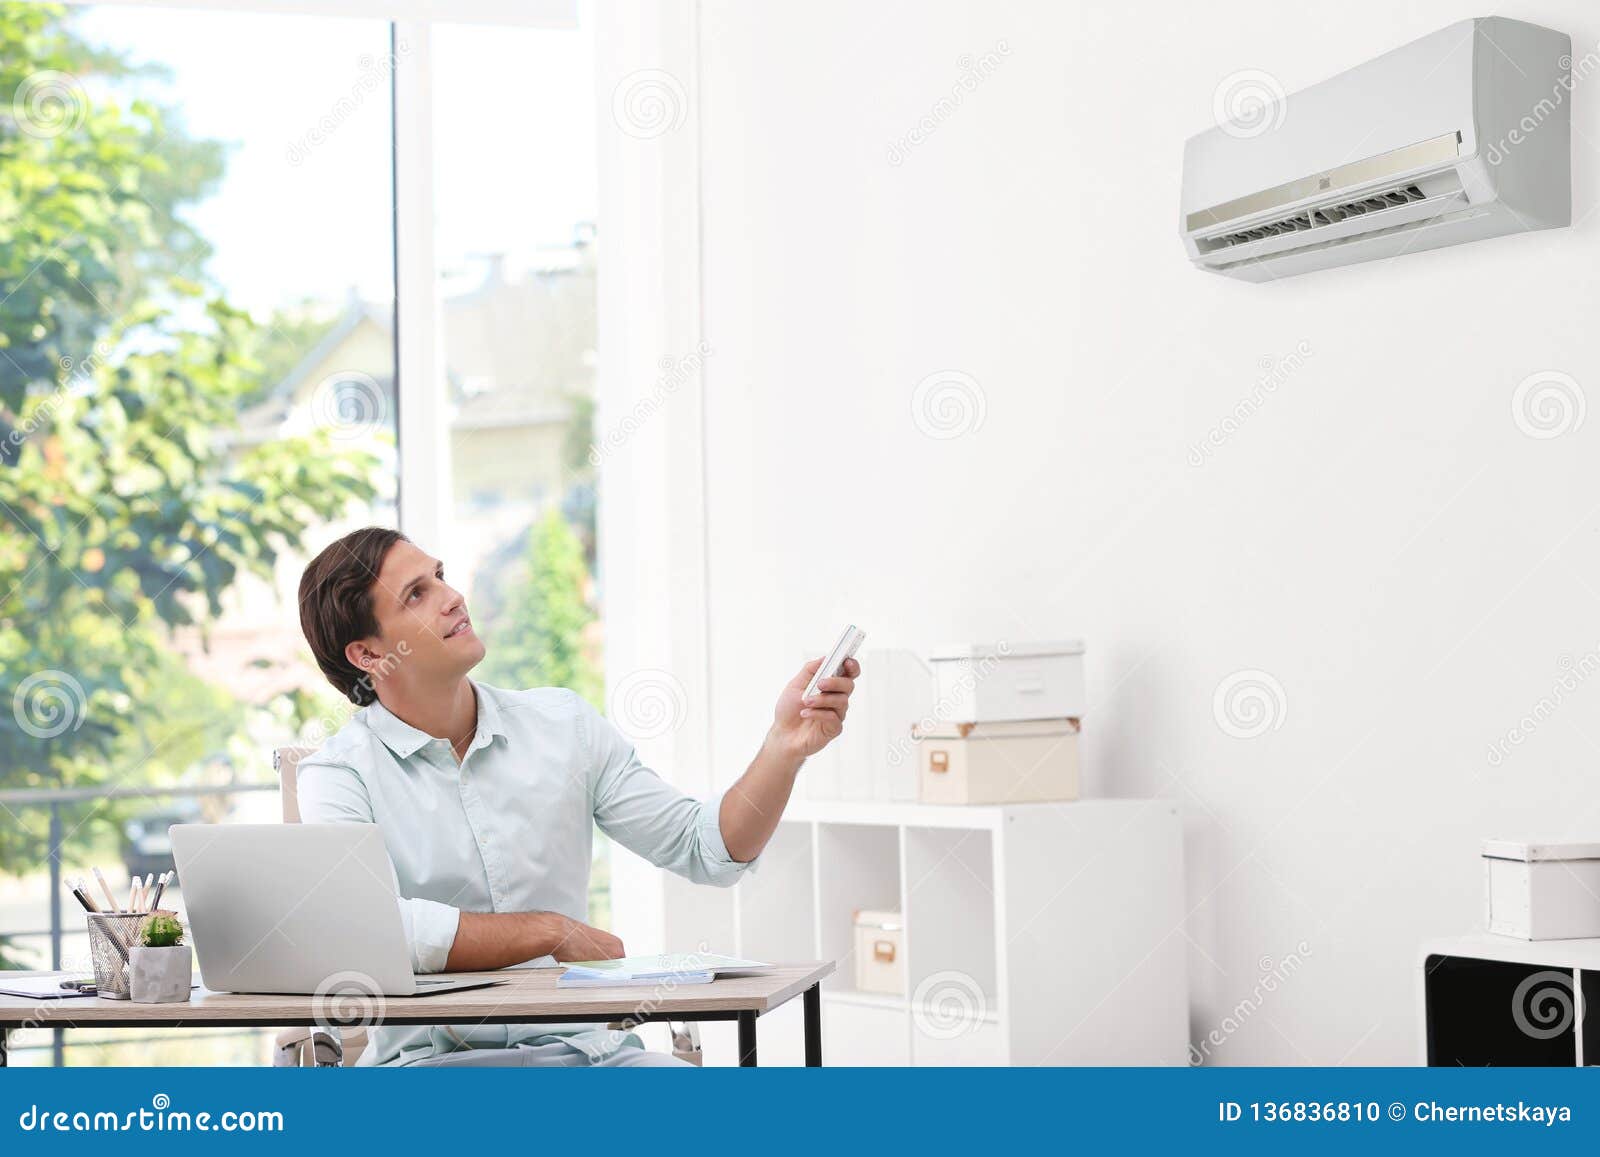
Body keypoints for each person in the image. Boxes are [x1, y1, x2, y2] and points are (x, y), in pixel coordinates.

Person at [293, 526, 859, 1067]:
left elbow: (707, 849)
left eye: (440, 575)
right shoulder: (338, 775)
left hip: (586, 1056)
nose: (452, 596)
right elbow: (369, 930)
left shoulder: (562, 725)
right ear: (368, 656)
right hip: (430, 1070)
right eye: (417, 594)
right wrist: (547, 930)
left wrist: (784, 747)